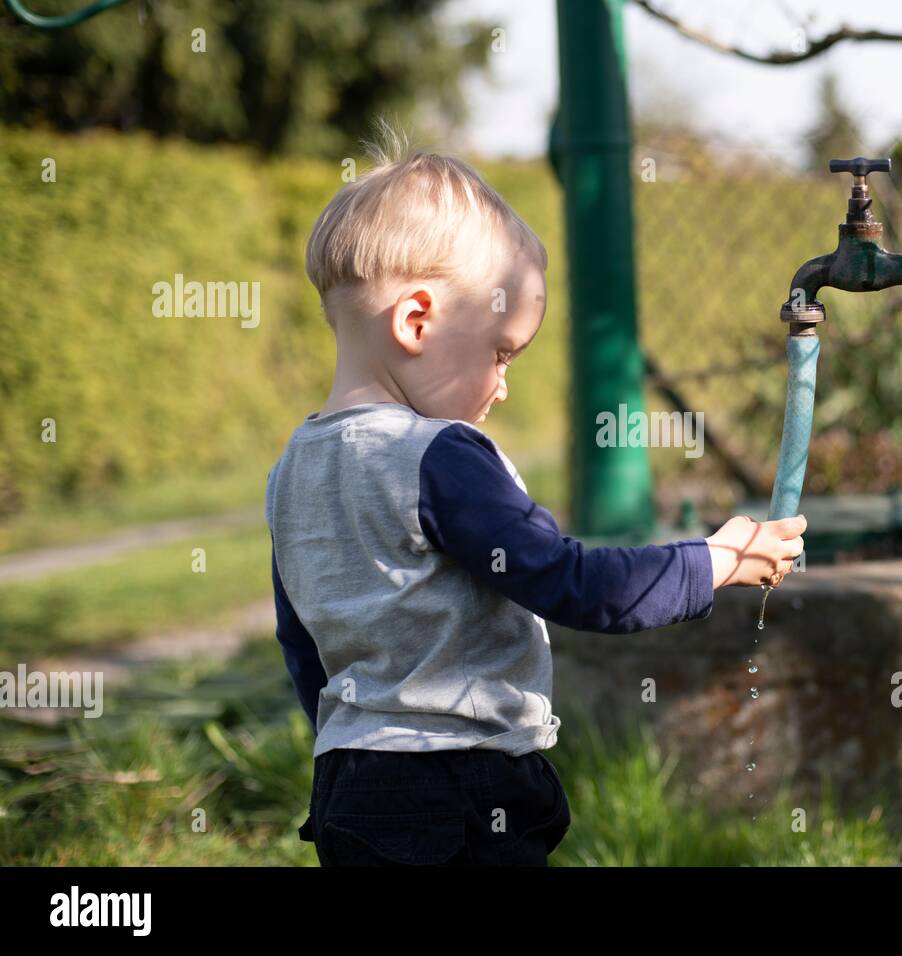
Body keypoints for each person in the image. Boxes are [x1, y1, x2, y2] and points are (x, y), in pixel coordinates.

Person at [266, 125, 806, 866]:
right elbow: (574, 583)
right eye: (500, 351)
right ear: (416, 320)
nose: (503, 383)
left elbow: (301, 642)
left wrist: (351, 743)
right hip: (458, 788)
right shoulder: (439, 457)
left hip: (349, 793)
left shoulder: (294, 467)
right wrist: (715, 560)